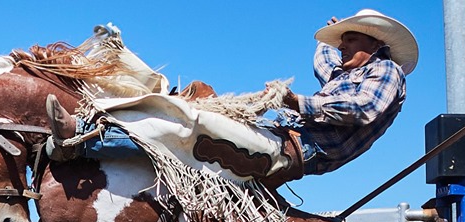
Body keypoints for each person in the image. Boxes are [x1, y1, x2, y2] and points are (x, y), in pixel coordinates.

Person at [45, 10, 416, 186]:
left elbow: (362, 109)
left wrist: (295, 103)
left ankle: (83, 140)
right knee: (195, 101)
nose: (344, 45)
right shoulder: (345, 72)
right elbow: (323, 58)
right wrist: (336, 31)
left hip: (301, 150)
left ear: (375, 44)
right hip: (286, 137)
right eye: (344, 40)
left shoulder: (386, 73)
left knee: (195, 132)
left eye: (352, 39)